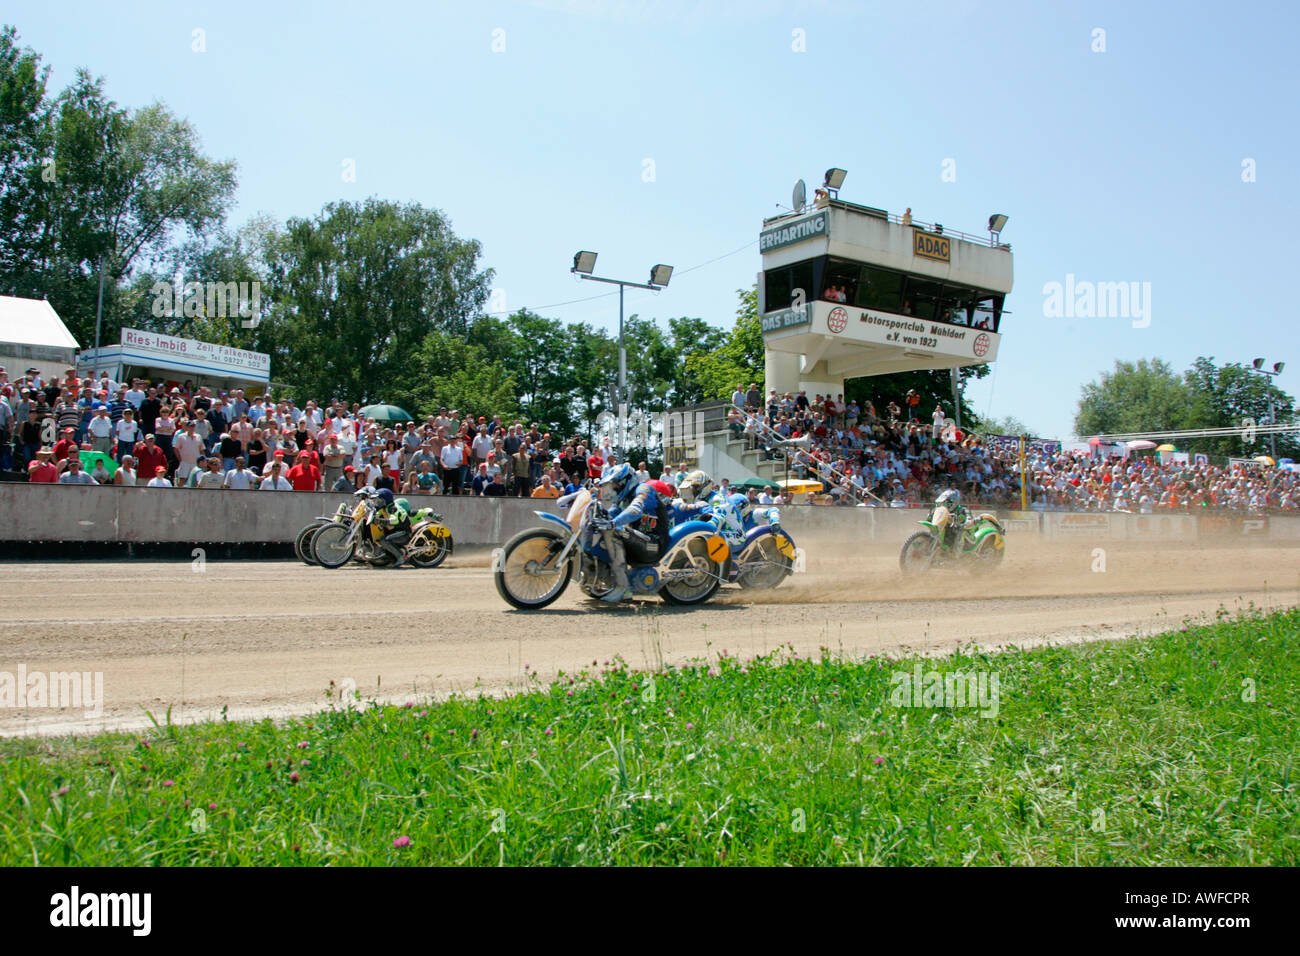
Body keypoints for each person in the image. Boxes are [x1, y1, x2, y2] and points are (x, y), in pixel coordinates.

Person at [595, 463, 668, 604]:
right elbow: (611, 514)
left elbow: (635, 509)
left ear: (625, 481)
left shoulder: (643, 489)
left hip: (654, 542)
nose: (614, 489)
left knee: (615, 530)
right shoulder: (623, 499)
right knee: (601, 530)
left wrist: (613, 523)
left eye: (615, 485)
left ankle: (623, 586)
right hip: (639, 541)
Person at [372, 488, 412, 567]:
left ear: (385, 500)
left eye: (380, 500)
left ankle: (401, 557)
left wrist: (380, 521)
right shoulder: (385, 507)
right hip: (395, 531)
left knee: (384, 540)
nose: (378, 502)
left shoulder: (393, 508)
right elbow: (376, 514)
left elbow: (395, 521)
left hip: (404, 533)